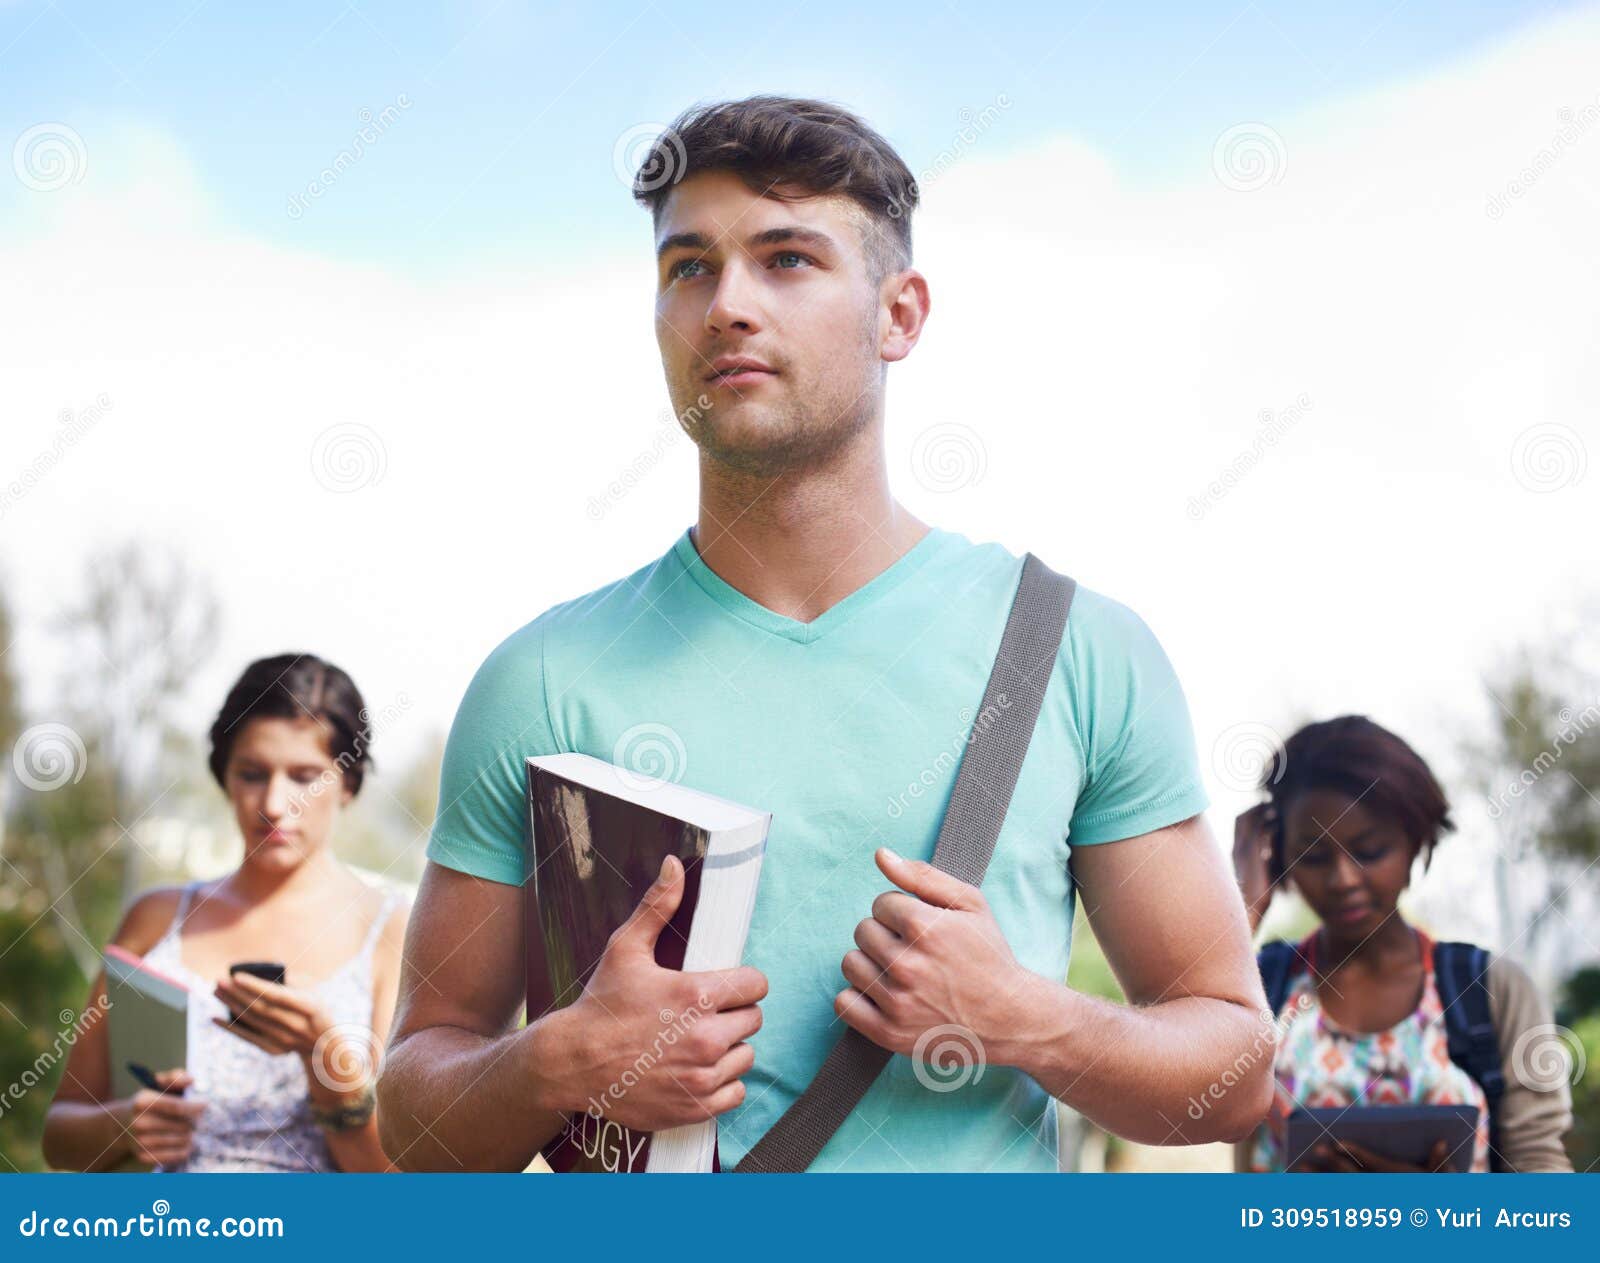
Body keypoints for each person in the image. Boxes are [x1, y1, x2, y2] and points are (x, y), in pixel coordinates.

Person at [379, 95, 1272, 1173]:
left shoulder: (1075, 652)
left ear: (899, 315)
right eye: (687, 268)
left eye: (788, 259)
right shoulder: (543, 680)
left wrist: (1026, 1017)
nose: (726, 306)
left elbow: (1239, 1075)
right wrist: (555, 1064)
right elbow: (411, 1120)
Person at [42, 653, 410, 1173]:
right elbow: (60, 1138)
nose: (275, 803)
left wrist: (323, 1061)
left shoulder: (392, 932)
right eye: (253, 773)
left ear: (347, 784)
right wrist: (121, 1126)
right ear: (225, 777)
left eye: (306, 776)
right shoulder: (156, 918)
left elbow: (403, 1190)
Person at [1232, 715, 1575, 1172]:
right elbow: (1177, 1082)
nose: (1343, 879)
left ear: (1416, 842)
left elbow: (1541, 1176)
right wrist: (1242, 907)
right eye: (1313, 857)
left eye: (1370, 851)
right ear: (1280, 857)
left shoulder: (1491, 991)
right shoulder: (1258, 984)